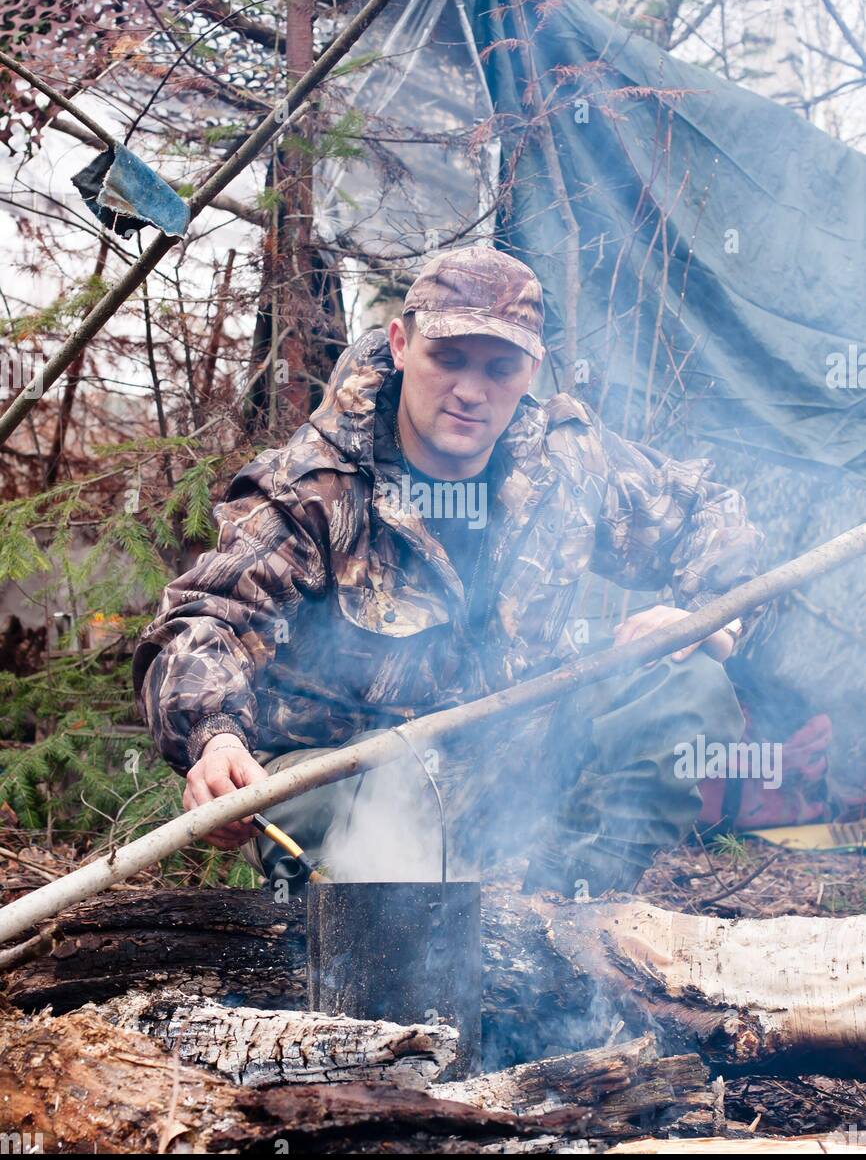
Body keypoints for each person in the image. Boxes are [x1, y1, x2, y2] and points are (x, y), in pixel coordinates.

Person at [133, 244, 758, 896]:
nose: (470, 390)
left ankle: (565, 920)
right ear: (401, 344)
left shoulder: (565, 461)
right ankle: (382, 943)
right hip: (351, 783)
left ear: (532, 369)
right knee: (380, 862)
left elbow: (710, 517)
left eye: (500, 367)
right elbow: (206, 620)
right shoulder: (315, 483)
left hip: (513, 771)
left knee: (686, 683)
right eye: (447, 358)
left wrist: (707, 617)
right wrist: (218, 743)